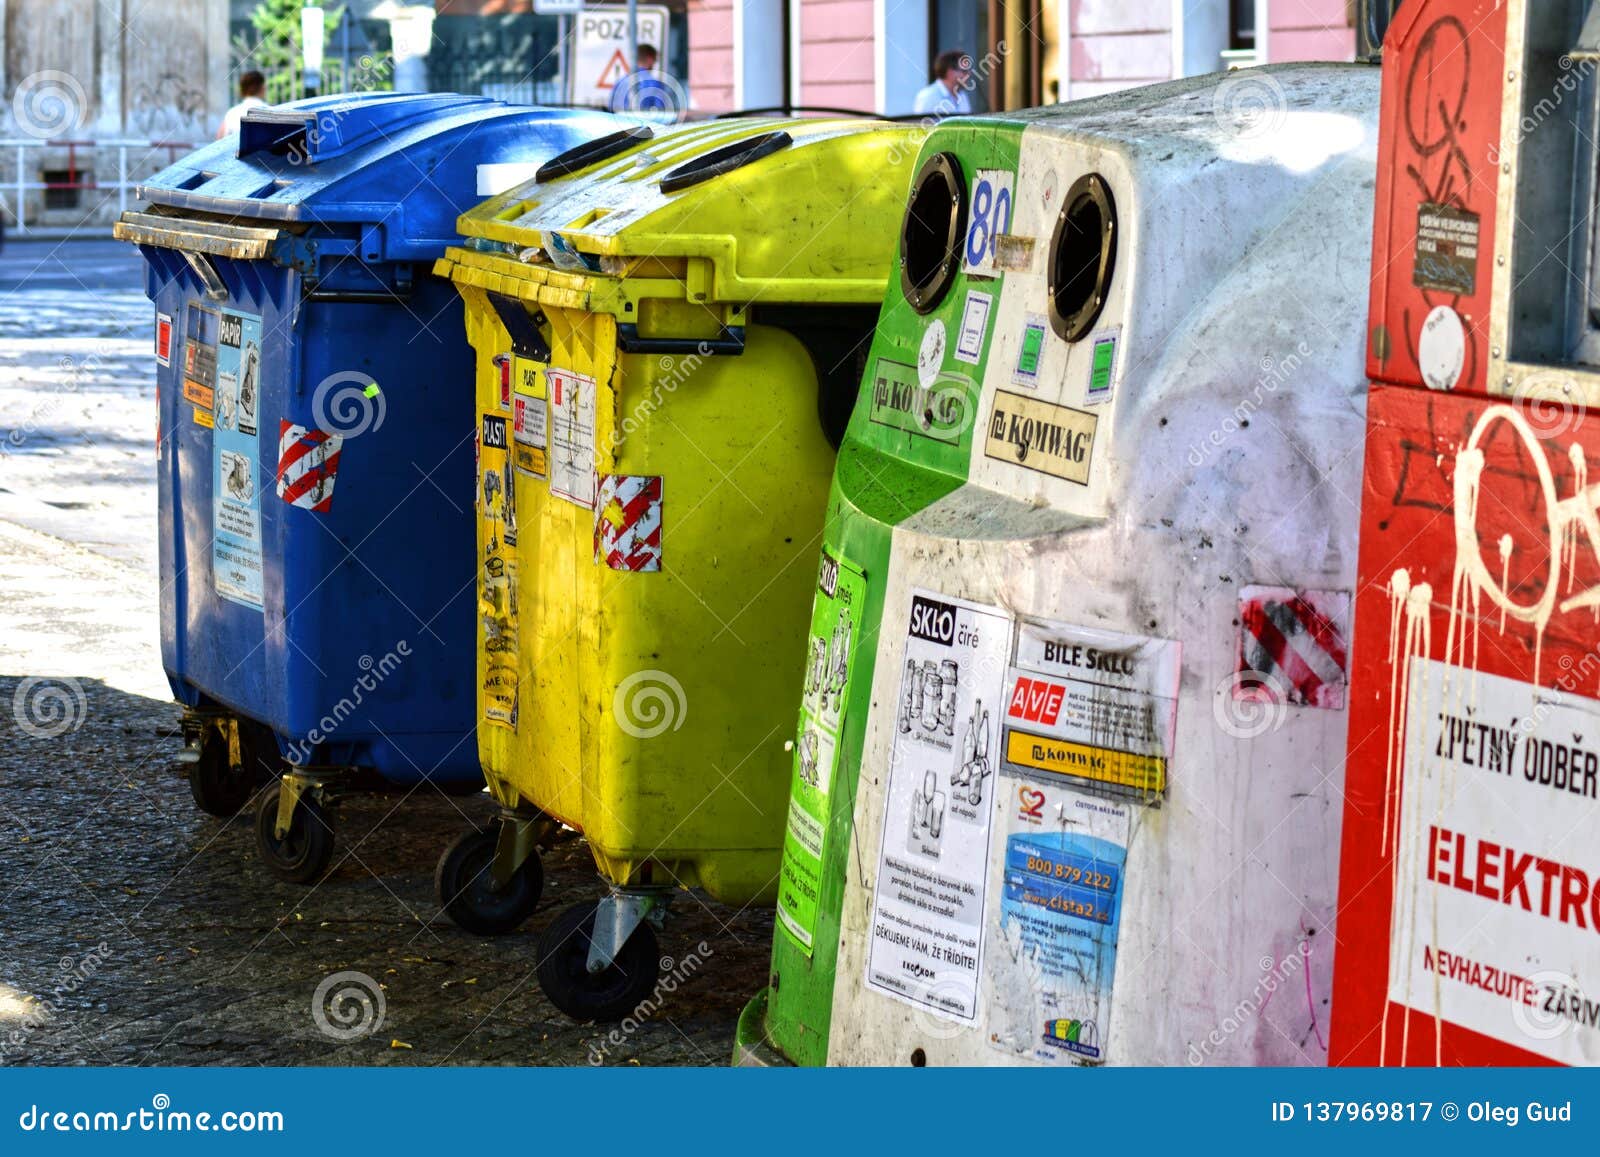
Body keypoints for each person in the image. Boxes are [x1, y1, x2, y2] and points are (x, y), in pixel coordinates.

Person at [609, 44, 671, 116]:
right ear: (650, 60)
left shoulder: (619, 83)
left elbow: (611, 110)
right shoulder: (655, 84)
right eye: (655, 60)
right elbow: (661, 113)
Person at [912, 51, 973, 117]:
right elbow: (921, 122)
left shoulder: (962, 95)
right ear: (950, 71)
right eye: (964, 71)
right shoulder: (928, 96)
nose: (969, 74)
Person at [217, 71, 267, 140]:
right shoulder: (271, 112)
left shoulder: (231, 113)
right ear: (262, 88)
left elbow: (220, 140)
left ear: (242, 90)